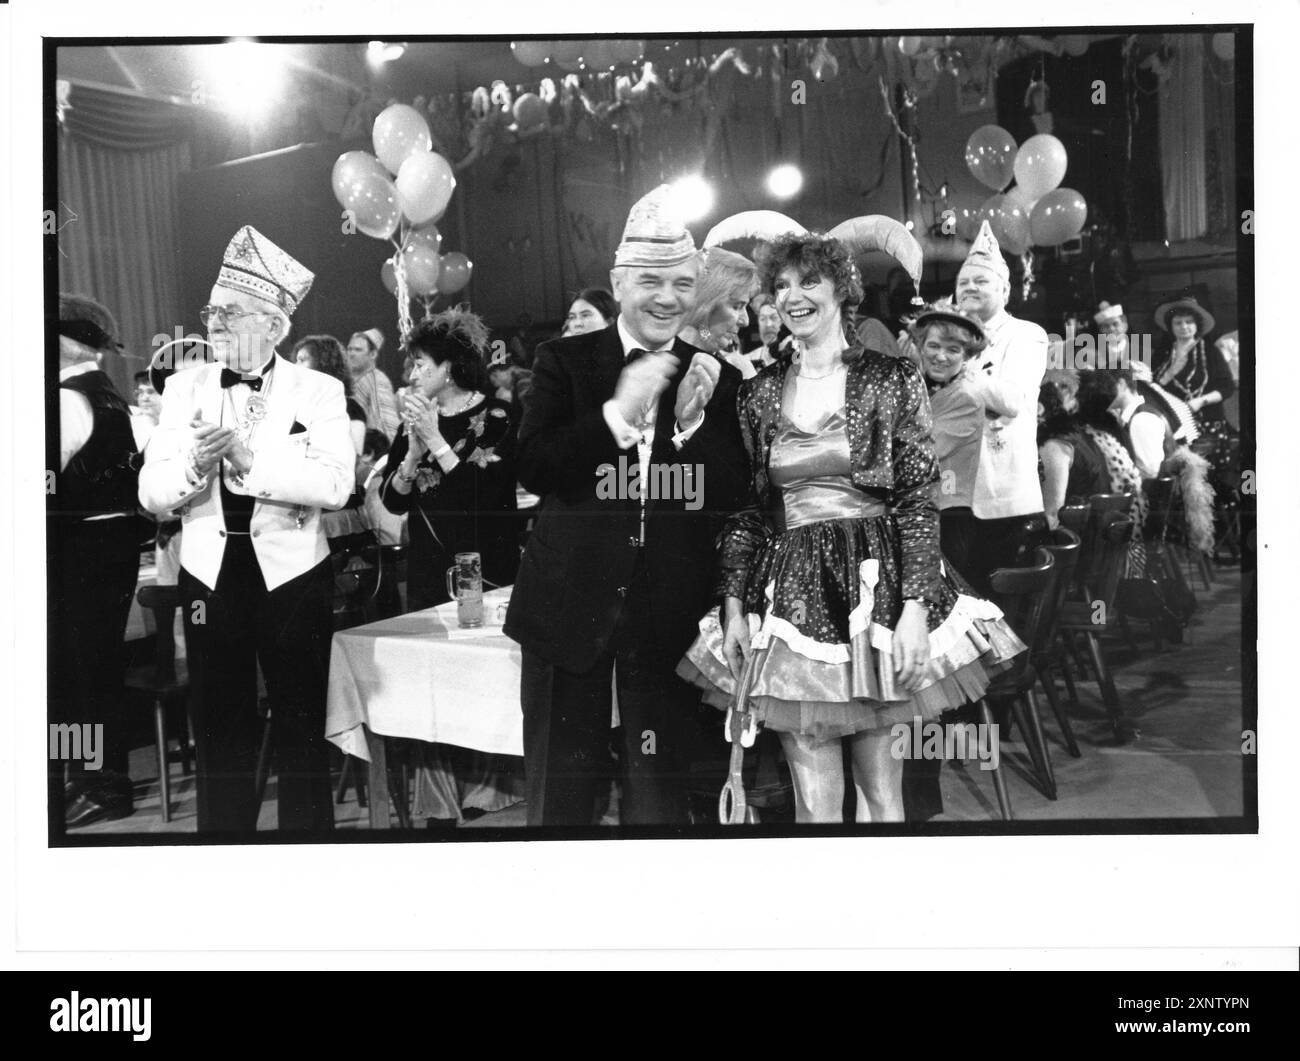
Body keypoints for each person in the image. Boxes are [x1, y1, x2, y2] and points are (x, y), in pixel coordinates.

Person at [677, 233, 1026, 824]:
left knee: (883, 797)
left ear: (842, 289)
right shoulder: (757, 392)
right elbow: (749, 511)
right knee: (813, 803)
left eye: (808, 282)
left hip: (876, 596)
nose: (792, 297)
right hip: (791, 598)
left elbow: (918, 497)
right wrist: (733, 606)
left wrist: (915, 608)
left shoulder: (890, 376)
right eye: (782, 286)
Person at [504, 184, 750, 827]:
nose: (667, 298)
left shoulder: (711, 373)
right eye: (650, 281)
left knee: (658, 793)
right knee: (561, 791)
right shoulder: (564, 360)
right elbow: (535, 465)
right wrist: (617, 415)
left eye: (681, 283)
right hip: (567, 599)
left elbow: (730, 498)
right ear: (618, 283)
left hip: (667, 608)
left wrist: (689, 429)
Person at [138, 225, 354, 834]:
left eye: (231, 312)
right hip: (210, 576)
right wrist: (193, 466)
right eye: (211, 311)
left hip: (294, 575)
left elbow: (337, 485)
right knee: (220, 727)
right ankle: (224, 860)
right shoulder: (182, 388)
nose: (214, 323)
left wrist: (246, 459)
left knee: (300, 723)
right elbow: (151, 494)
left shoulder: (320, 390)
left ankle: (307, 859)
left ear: (274, 326)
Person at [53, 294, 142, 831]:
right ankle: (86, 779)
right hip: (107, 547)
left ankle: (99, 784)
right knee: (94, 667)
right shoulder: (107, 395)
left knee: (79, 671)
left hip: (80, 550)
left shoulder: (66, 401)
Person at [380, 306, 519, 610]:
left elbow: (487, 495)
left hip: (482, 569)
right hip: (427, 572)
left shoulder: (499, 416)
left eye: (420, 364)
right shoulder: (414, 421)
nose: (412, 375)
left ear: (449, 368)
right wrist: (412, 458)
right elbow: (392, 503)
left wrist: (435, 440)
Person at [952, 220, 1049, 593]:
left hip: (1006, 502)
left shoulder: (1026, 335)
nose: (970, 288)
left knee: (1001, 609)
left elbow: (1011, 400)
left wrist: (956, 369)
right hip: (956, 499)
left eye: (981, 281)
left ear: (1005, 290)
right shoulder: (950, 339)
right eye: (963, 283)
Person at [909, 302, 989, 581]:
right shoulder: (923, 390)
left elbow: (922, 453)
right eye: (934, 346)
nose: (941, 356)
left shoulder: (965, 398)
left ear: (966, 357)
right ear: (921, 347)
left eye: (953, 349)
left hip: (947, 520)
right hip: (925, 516)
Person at [1152, 296, 1237, 482]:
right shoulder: (1162, 353)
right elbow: (1154, 386)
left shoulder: (1211, 352)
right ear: (1170, 326)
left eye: (1189, 322)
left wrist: (1201, 401)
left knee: (1210, 481)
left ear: (1197, 325)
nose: (1184, 327)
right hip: (1174, 427)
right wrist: (1173, 367)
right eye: (1178, 322)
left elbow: (1227, 387)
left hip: (1207, 425)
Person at [1038, 376, 1111, 528]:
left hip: (1078, 540)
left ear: (1039, 409)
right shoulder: (1077, 435)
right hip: (1093, 534)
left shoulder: (1054, 445)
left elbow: (1051, 515)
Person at [679, 246, 760, 379]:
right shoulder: (651, 367)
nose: (745, 321)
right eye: (736, 306)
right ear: (705, 301)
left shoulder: (734, 369)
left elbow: (704, 334)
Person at [347, 328, 401, 440]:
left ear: (372, 354)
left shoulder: (378, 381)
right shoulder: (350, 380)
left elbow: (386, 424)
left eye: (358, 350)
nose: (351, 354)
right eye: (349, 349)